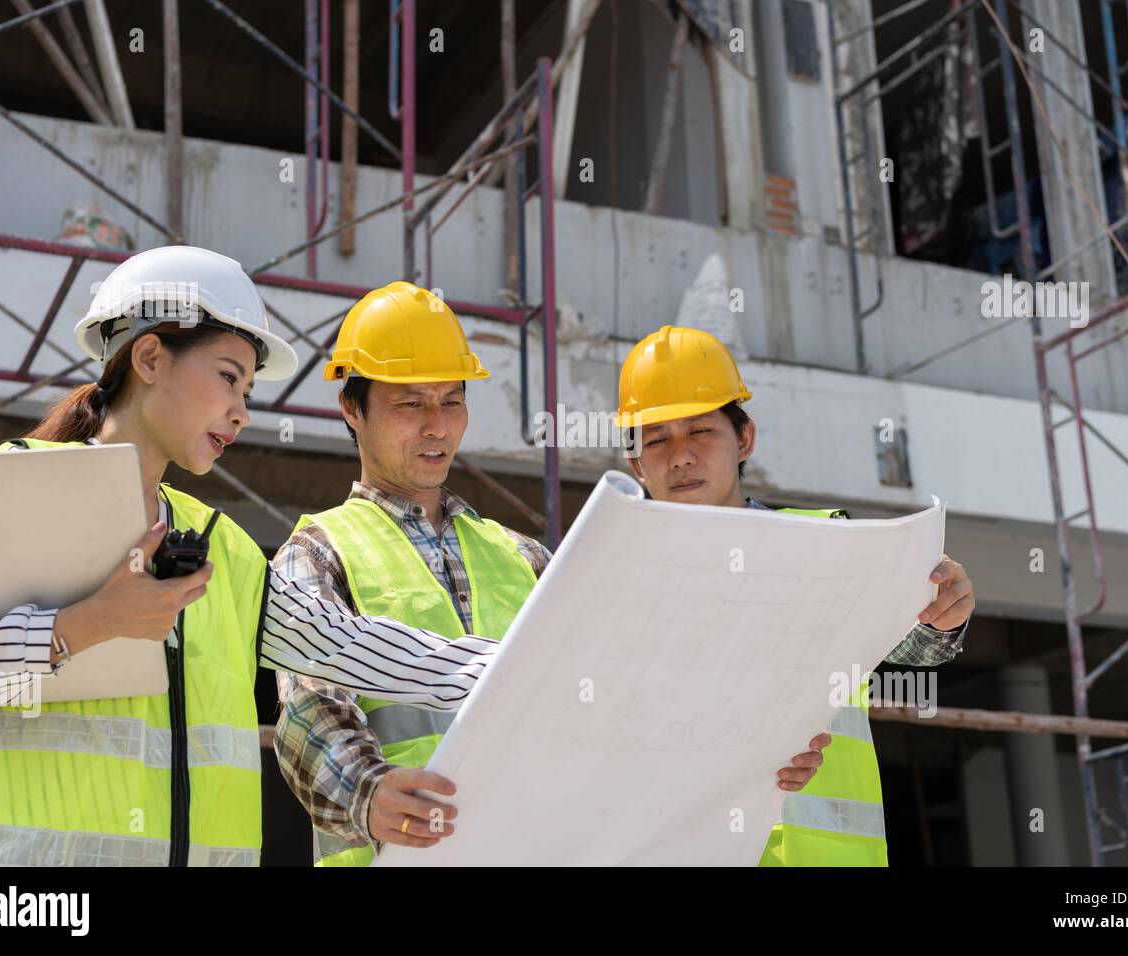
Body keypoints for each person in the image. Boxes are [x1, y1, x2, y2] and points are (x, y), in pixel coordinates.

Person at [0, 248, 506, 867]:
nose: (241, 411)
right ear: (149, 358)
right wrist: (90, 623)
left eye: (248, 390)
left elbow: (355, 647)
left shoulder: (221, 547)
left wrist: (531, 662)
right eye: (228, 378)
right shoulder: (12, 488)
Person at [273, 282, 832, 865]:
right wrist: (366, 793)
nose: (437, 426)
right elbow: (310, 708)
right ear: (352, 408)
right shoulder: (319, 551)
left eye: (452, 401)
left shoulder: (528, 558)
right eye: (411, 404)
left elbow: (625, 702)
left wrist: (755, 752)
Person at [615, 325, 976, 866]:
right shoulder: (619, 588)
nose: (681, 456)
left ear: (744, 439)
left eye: (701, 431)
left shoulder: (826, 546)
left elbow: (910, 650)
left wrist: (943, 616)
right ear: (636, 464)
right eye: (657, 438)